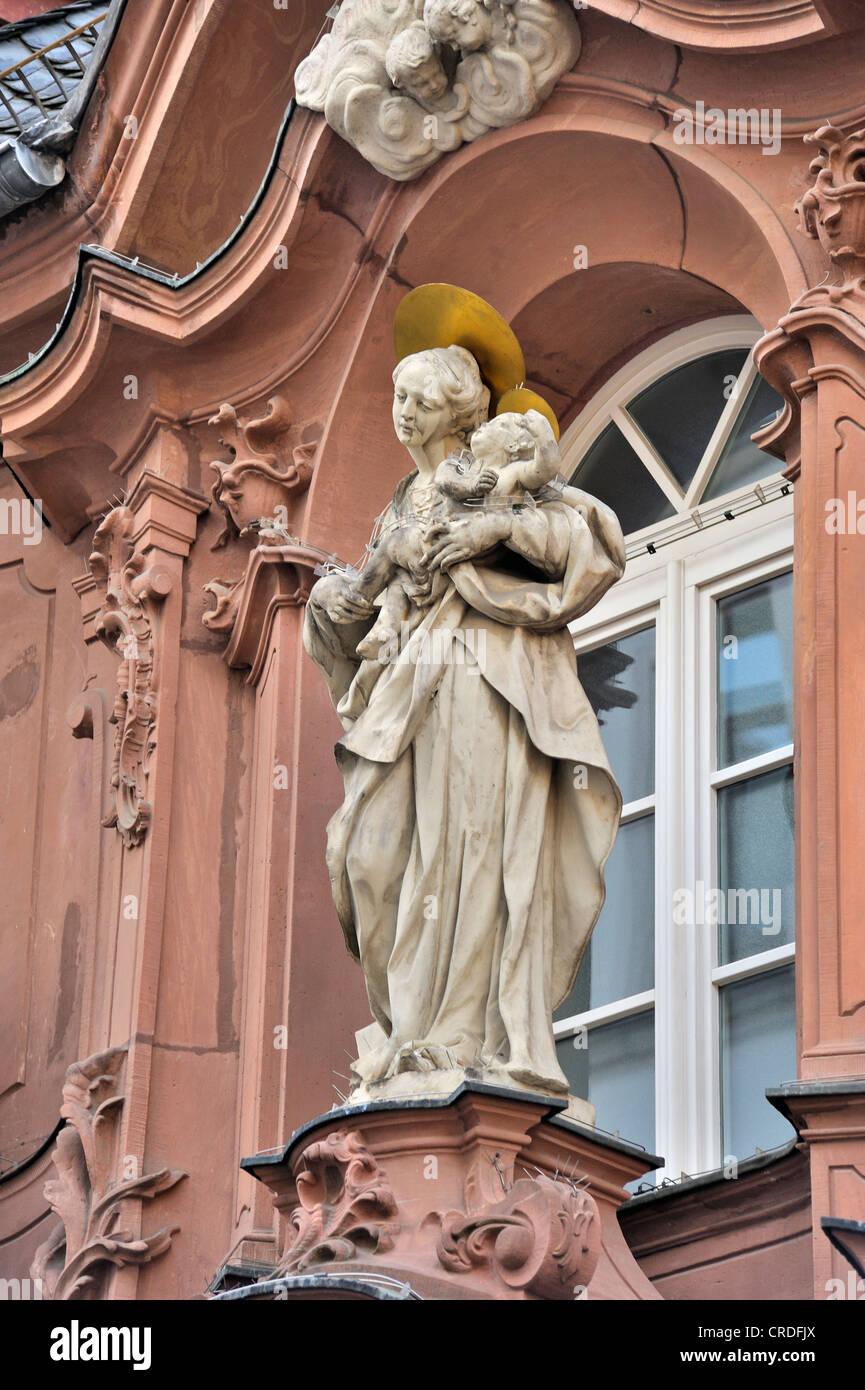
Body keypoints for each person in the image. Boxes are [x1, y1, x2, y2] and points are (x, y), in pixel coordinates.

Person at [303, 342, 625, 1098]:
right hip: (404, 693)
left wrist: (496, 530)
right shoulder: (396, 505)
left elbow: (586, 546)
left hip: (482, 674)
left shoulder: (497, 477)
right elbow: (367, 621)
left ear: (458, 410)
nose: (402, 410)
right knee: (366, 856)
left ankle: (457, 1039)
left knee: (476, 845)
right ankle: (407, 1028)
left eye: (418, 397)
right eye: (396, 394)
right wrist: (335, 606)